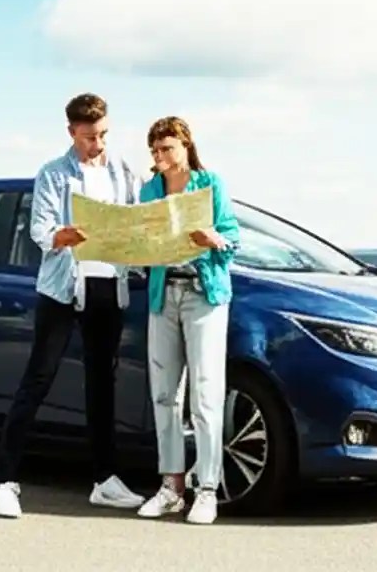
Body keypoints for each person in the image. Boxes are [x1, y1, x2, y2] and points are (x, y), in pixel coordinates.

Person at [0, 93, 148, 519]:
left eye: (104, 134)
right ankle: (2, 482)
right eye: (91, 136)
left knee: (101, 386)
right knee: (39, 378)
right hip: (62, 289)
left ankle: (105, 480)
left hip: (108, 287)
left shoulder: (122, 171)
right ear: (72, 131)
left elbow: (137, 220)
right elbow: (39, 230)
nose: (99, 143)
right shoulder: (53, 174)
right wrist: (63, 235)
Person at [133, 115, 240, 525]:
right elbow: (143, 242)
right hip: (164, 294)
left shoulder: (210, 184)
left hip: (203, 293)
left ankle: (207, 488)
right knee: (164, 393)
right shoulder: (150, 190)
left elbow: (232, 241)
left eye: (167, 149)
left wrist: (214, 239)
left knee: (206, 393)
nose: (160, 157)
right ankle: (171, 486)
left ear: (185, 147)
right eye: (155, 151)